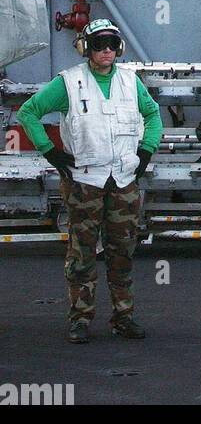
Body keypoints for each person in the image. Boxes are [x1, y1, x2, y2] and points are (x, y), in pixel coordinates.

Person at [16, 18, 163, 343]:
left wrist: (147, 150)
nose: (107, 50)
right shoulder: (68, 83)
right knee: (82, 253)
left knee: (122, 251)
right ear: (86, 48)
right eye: (99, 44)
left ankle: (123, 317)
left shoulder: (130, 82)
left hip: (123, 181)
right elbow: (28, 112)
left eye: (112, 44)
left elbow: (153, 115)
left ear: (119, 48)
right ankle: (80, 319)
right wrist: (50, 152)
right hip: (84, 182)